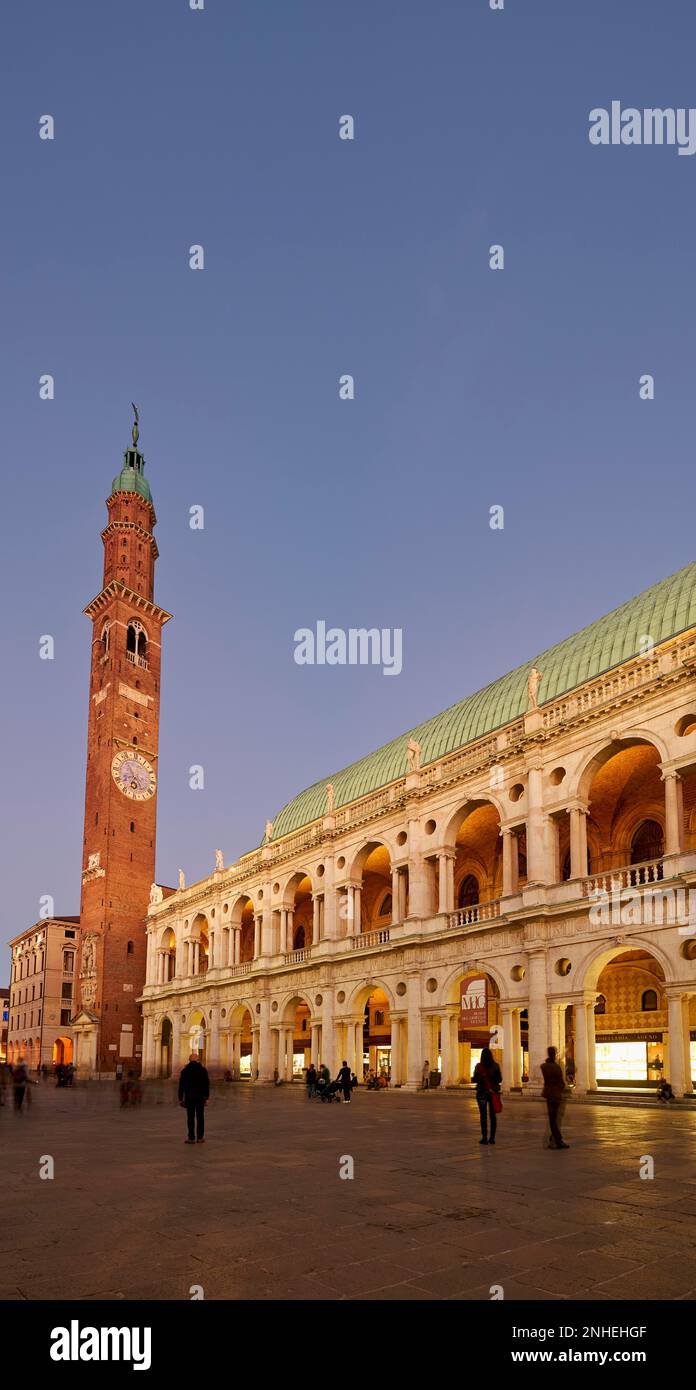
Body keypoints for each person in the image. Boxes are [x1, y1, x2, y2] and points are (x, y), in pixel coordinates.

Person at [541, 1046, 570, 1149]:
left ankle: (554, 1139)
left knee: (552, 1119)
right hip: (556, 1094)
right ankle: (558, 1140)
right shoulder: (557, 1067)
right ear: (555, 1054)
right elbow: (562, 1083)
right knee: (554, 1119)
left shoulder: (543, 1066)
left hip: (548, 1093)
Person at [178, 1052, 210, 1144]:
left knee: (190, 1117)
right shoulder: (203, 1070)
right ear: (197, 1059)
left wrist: (180, 1098)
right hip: (200, 1097)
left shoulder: (185, 1071)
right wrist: (207, 1097)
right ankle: (200, 1137)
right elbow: (206, 1085)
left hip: (189, 1097)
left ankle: (191, 1137)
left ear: (189, 1060)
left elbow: (181, 1086)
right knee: (200, 1117)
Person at [473, 1047, 502, 1145]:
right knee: (493, 1116)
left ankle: (484, 1138)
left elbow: (475, 1079)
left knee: (483, 1116)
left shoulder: (478, 1066)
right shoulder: (496, 1066)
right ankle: (492, 1138)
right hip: (493, 1092)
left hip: (482, 1092)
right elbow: (499, 1079)